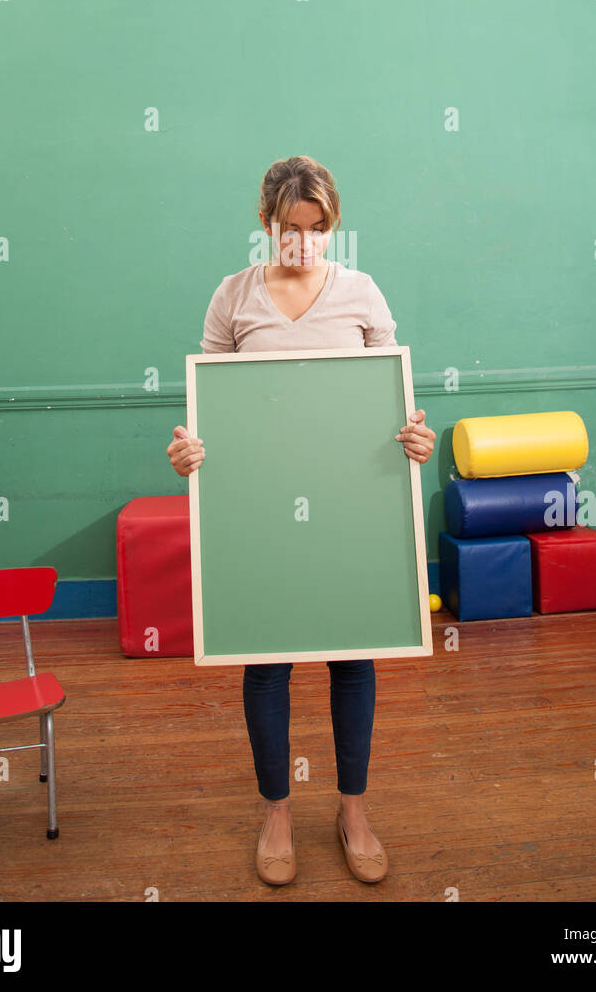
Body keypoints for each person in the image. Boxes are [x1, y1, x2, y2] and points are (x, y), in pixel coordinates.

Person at [167, 155, 435, 885]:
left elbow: (393, 403)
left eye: (319, 229)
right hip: (264, 519)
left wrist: (416, 437)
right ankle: (277, 812)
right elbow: (211, 414)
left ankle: (354, 811)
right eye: (291, 228)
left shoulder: (361, 294)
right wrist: (190, 451)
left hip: (348, 513)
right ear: (266, 223)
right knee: (266, 662)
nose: (305, 243)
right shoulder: (232, 297)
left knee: (353, 659)